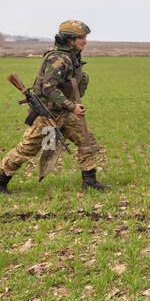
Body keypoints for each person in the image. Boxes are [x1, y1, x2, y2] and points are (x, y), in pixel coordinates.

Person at [0, 19, 107, 193]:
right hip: (48, 116)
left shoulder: (72, 56)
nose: (85, 41)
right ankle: (1, 180)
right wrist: (72, 106)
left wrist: (70, 108)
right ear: (69, 39)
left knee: (86, 141)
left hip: (65, 114)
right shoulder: (58, 58)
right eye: (81, 37)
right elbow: (48, 88)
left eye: (85, 37)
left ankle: (90, 182)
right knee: (27, 149)